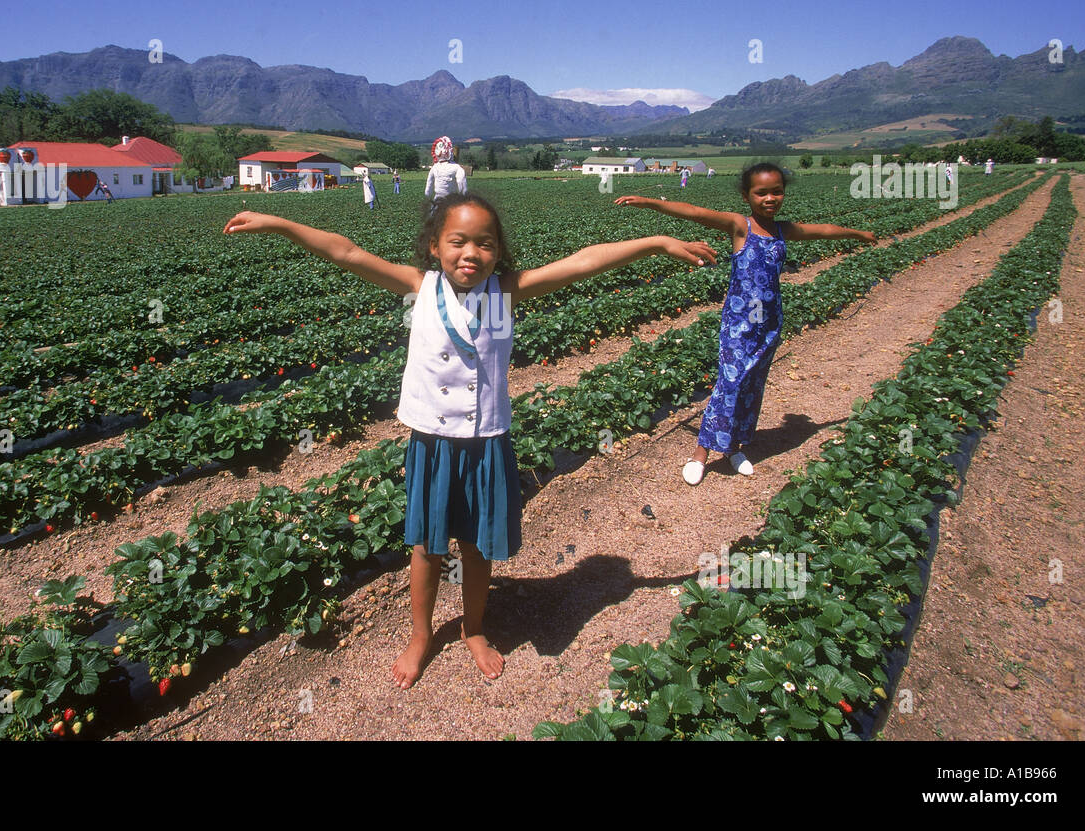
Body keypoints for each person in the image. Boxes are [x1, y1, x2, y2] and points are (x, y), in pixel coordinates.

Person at [222, 195, 716, 687]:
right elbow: (346, 253)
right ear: (435, 247)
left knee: (478, 548)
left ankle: (472, 628)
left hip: (485, 442)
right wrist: (281, 224)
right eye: (457, 241)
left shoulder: (504, 292)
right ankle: (420, 636)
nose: (470, 253)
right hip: (433, 442)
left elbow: (583, 261)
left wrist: (656, 242)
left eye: (485, 243)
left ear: (498, 252)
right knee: (426, 548)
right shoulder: (418, 285)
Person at [616, 163, 875, 485]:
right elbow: (695, 211)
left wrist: (859, 233)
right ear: (747, 195)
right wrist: (651, 202)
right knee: (730, 383)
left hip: (769, 320)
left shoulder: (783, 230)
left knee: (753, 385)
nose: (770, 198)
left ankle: (735, 448)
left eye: (776, 191)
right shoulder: (741, 227)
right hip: (740, 320)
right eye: (761, 192)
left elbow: (822, 230)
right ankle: (701, 453)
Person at [424, 136, 467, 213]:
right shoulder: (457, 168)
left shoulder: (434, 167)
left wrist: (428, 198)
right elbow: (462, 185)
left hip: (437, 201)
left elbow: (428, 187)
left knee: (433, 219)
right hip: (452, 201)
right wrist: (463, 199)